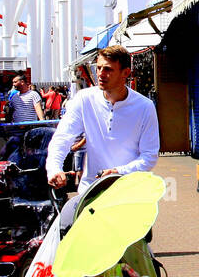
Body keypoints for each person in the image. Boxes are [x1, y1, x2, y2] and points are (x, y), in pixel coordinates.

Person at [46, 44, 159, 187]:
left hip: (130, 191)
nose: (100, 73)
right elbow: (62, 137)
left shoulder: (144, 107)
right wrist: (55, 168)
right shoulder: (84, 99)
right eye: (98, 68)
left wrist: (118, 172)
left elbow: (149, 156)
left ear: (125, 73)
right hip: (91, 190)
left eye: (108, 69)